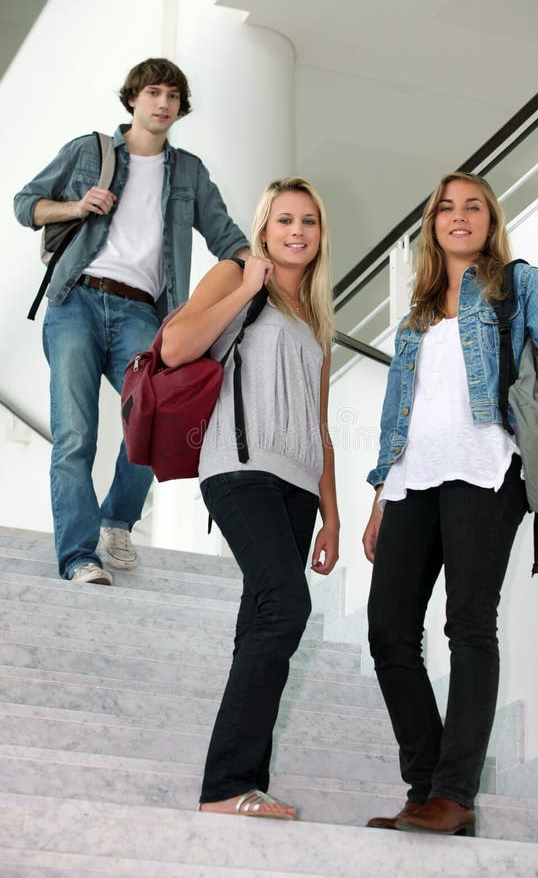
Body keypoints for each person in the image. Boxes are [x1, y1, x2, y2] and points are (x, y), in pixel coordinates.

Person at [362, 171, 538, 836]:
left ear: (491, 222)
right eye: (446, 208)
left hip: (487, 471)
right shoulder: (412, 318)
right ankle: (427, 785)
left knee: (468, 626)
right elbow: (395, 413)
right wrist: (382, 494)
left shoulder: (517, 285)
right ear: (431, 224)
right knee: (387, 632)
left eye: (474, 207)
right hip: (412, 480)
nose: (459, 217)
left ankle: (452, 794)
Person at [14, 58, 249, 586]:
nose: (162, 103)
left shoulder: (188, 172)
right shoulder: (88, 151)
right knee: (75, 435)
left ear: (180, 108)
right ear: (133, 99)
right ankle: (78, 556)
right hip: (76, 300)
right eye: (153, 93)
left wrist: (257, 272)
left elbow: (229, 239)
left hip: (144, 311)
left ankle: (116, 522)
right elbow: (25, 204)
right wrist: (75, 207)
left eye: (172, 96)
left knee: (157, 419)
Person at [161, 177, 340, 820]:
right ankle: (225, 784)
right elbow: (177, 346)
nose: (298, 231)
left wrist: (333, 516)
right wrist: (245, 286)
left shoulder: (317, 320)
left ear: (321, 236)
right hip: (239, 470)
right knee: (285, 608)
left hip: (297, 486)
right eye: (286, 220)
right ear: (265, 228)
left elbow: (320, 427)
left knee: (260, 623)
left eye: (310, 222)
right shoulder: (235, 274)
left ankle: (243, 784)